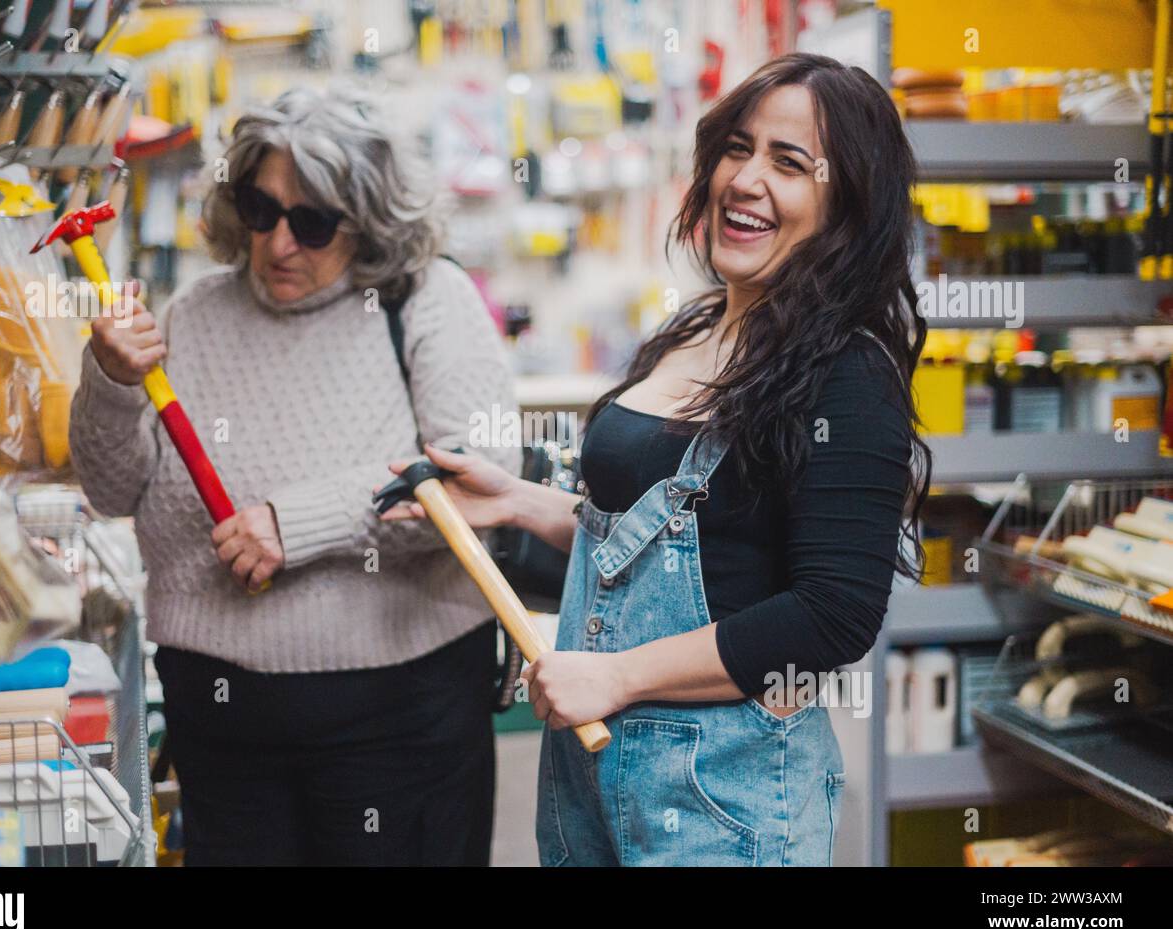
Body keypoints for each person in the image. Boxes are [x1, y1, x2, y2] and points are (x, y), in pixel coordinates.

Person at [383, 53, 932, 866]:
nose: (744, 180)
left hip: (726, 799)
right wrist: (513, 501)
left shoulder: (850, 375)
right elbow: (672, 537)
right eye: (737, 149)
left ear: (846, 202)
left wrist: (619, 678)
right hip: (594, 778)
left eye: (788, 163)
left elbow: (832, 615)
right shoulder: (695, 332)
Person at [69, 83, 519, 865]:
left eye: (313, 222)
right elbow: (113, 490)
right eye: (260, 208)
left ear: (370, 220)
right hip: (222, 722)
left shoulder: (425, 300)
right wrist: (107, 382)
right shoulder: (193, 312)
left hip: (397, 719)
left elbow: (476, 481)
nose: (279, 243)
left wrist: (299, 523)